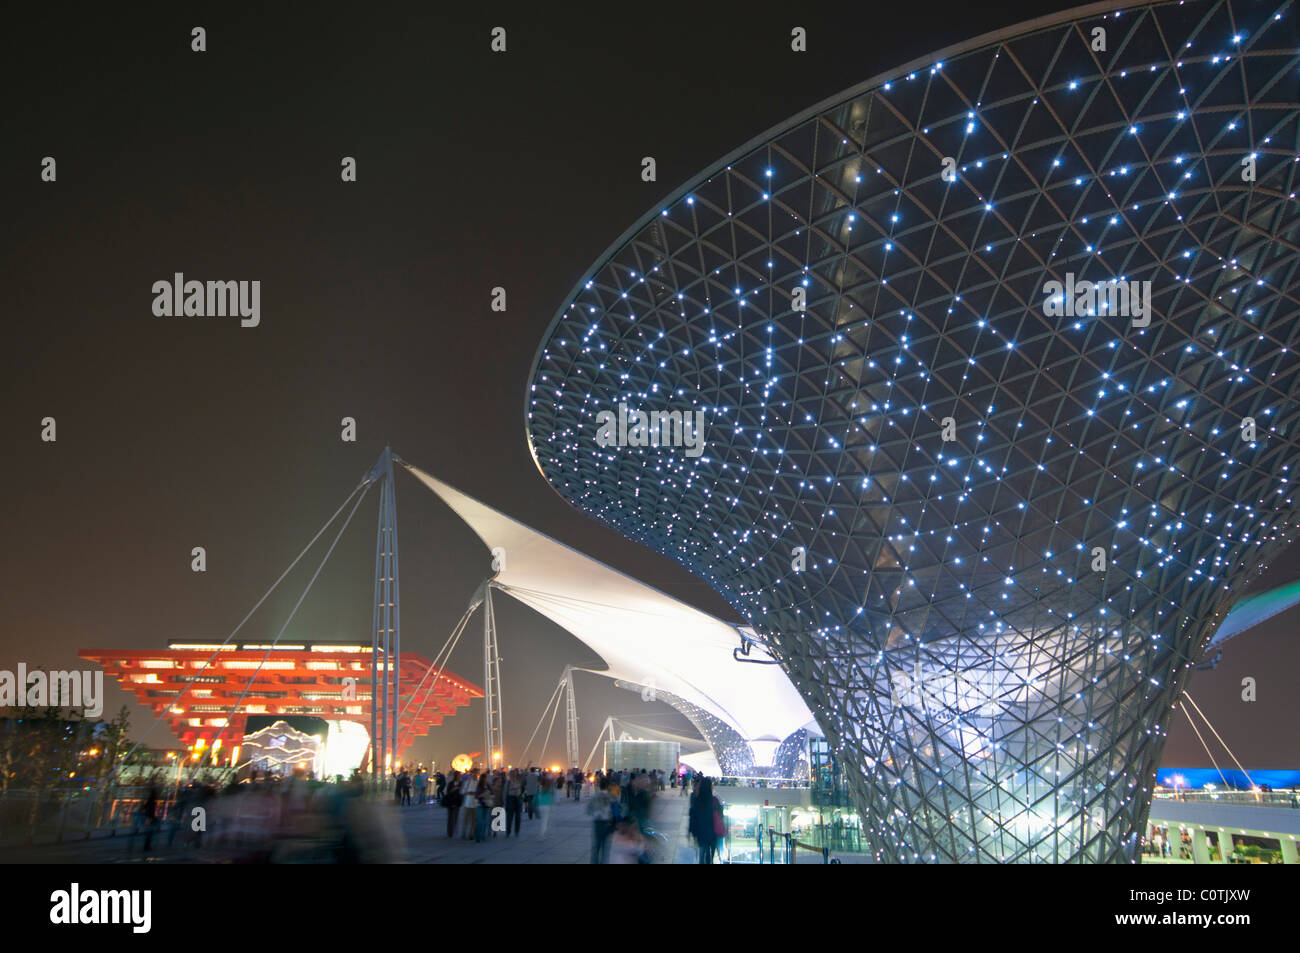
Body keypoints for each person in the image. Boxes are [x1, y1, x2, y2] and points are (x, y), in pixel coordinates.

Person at [689, 777, 722, 864]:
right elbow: (720, 815)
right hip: (713, 833)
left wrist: (692, 831)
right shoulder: (715, 800)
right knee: (710, 856)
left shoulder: (697, 800)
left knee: (702, 854)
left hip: (701, 833)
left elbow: (693, 817)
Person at [586, 777, 615, 863]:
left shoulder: (595, 796)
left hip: (597, 823)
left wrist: (597, 813)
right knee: (606, 848)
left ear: (600, 785)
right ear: (608, 786)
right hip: (608, 823)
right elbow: (616, 811)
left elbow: (589, 810)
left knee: (596, 846)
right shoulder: (612, 797)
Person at [443, 771, 463, 837]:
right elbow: (448, 791)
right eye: (459, 775)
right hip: (451, 802)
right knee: (450, 817)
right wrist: (454, 789)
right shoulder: (451, 783)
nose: (460, 777)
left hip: (457, 802)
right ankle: (450, 832)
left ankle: (454, 830)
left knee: (455, 817)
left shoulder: (461, 783)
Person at [505, 769, 523, 837]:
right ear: (510, 775)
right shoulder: (508, 782)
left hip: (518, 799)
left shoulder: (518, 781)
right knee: (509, 816)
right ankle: (508, 831)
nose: (513, 775)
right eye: (512, 774)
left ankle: (517, 830)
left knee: (518, 816)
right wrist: (505, 802)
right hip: (511, 799)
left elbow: (523, 775)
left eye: (514, 774)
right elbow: (505, 792)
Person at [536, 775, 554, 840]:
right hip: (547, 805)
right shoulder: (549, 788)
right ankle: (542, 834)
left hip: (540, 805)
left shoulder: (540, 788)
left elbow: (538, 796)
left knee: (543, 820)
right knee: (545, 820)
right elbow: (552, 797)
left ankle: (543, 833)